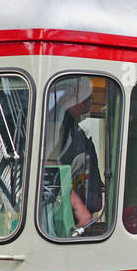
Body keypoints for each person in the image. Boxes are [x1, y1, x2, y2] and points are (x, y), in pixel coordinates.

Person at [44, 78, 104, 230]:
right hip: (55, 212)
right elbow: (49, 169)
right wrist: (79, 208)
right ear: (70, 96)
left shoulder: (72, 125)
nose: (89, 105)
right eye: (85, 100)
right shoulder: (54, 123)